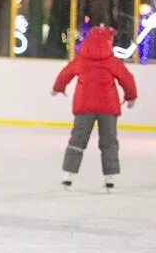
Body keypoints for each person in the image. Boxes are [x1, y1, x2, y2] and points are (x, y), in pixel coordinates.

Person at [52, 24, 138, 191]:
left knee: (77, 140)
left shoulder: (81, 60)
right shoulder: (111, 61)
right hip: (108, 107)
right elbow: (127, 78)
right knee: (109, 142)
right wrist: (130, 97)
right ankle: (110, 178)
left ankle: (68, 175)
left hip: (85, 105)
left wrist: (58, 88)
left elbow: (65, 73)